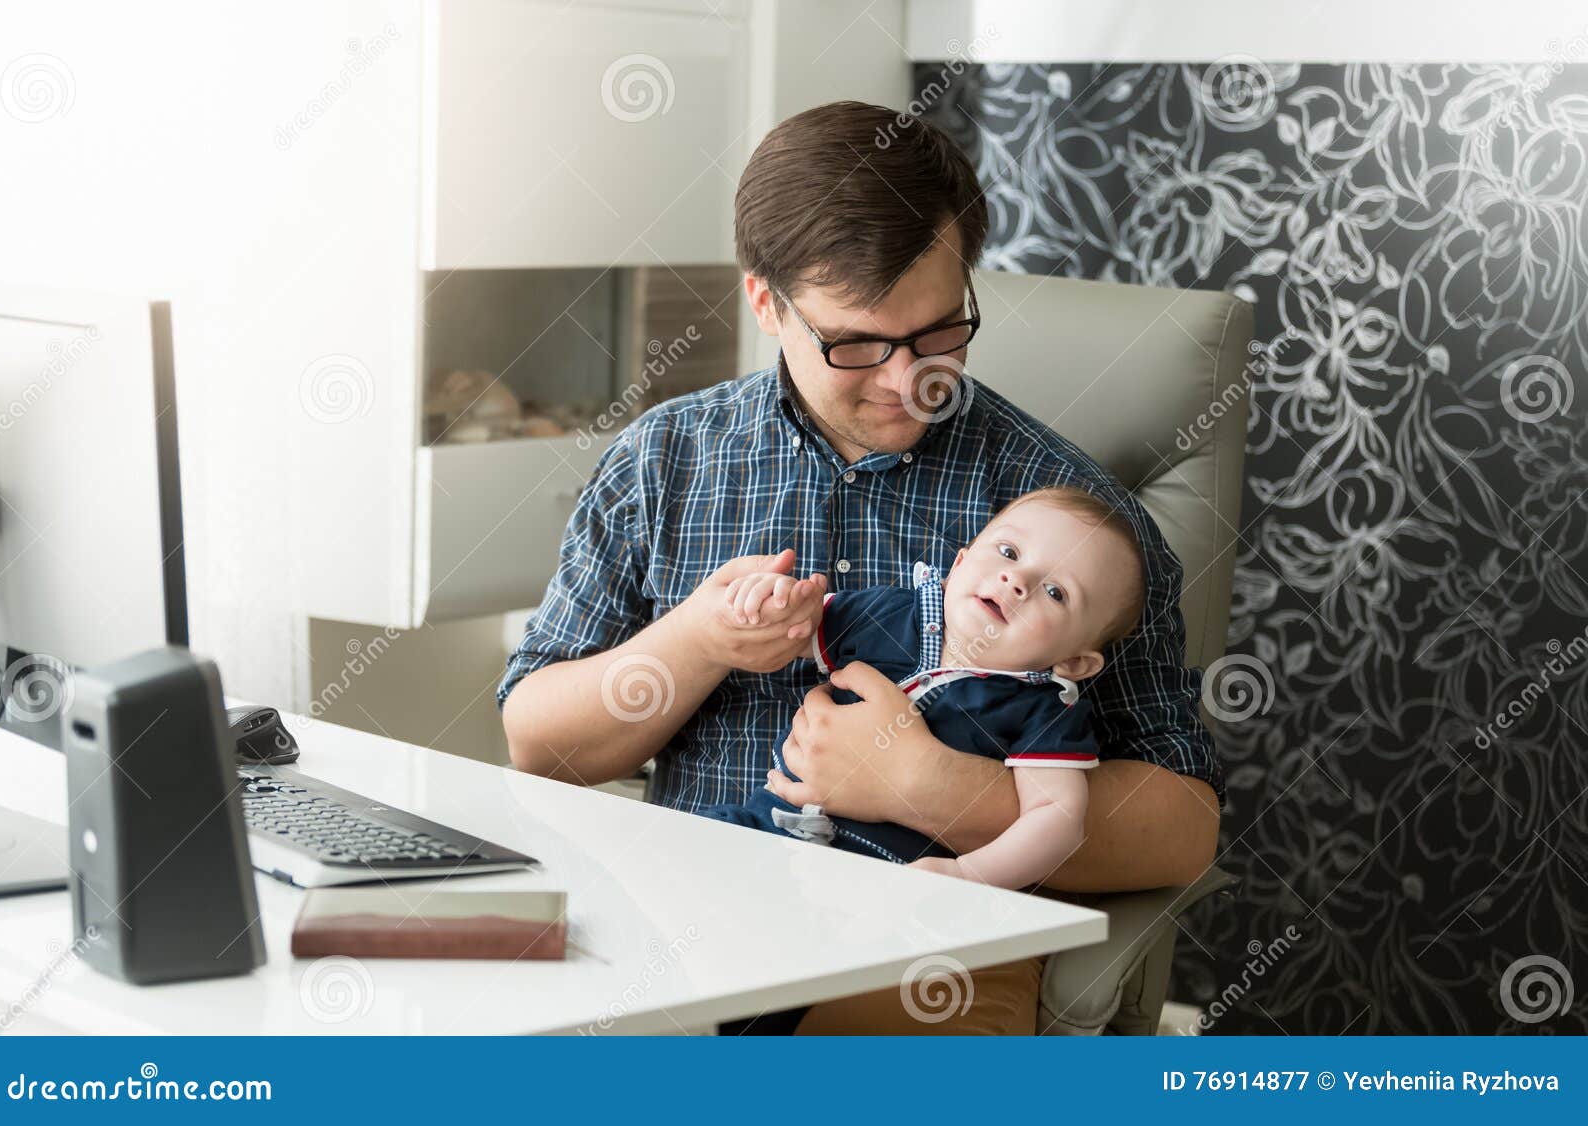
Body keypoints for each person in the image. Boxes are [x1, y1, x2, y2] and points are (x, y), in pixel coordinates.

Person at [500, 100, 1223, 1034]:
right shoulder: (663, 461)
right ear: (765, 303)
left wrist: (926, 785)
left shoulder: (1069, 530)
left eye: (938, 333)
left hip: (925, 946)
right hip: (684, 920)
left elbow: (1183, 828)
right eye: (855, 344)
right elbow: (536, 746)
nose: (905, 380)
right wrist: (699, 640)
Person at [701, 485, 1146, 892]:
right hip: (761, 827)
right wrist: (772, 599)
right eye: (1008, 551)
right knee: (679, 867)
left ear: (1073, 662)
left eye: (1055, 592)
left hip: (878, 882)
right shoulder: (891, 614)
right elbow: (795, 627)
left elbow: (1058, 821)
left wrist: (967, 874)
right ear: (959, 565)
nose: (1018, 580)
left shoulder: (1042, 711)